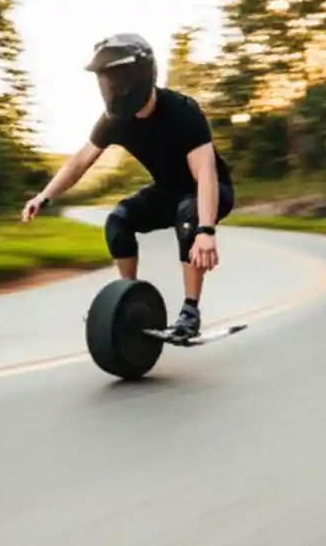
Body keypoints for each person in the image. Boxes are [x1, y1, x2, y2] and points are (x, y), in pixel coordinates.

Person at [20, 33, 235, 340]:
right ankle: (129, 301)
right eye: (107, 81)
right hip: (167, 192)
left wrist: (206, 231)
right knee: (118, 220)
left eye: (118, 79)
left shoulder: (183, 111)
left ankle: (190, 312)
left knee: (188, 213)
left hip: (212, 193)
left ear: (141, 76)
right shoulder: (115, 121)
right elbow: (79, 162)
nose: (113, 88)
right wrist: (44, 196)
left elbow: (206, 175)